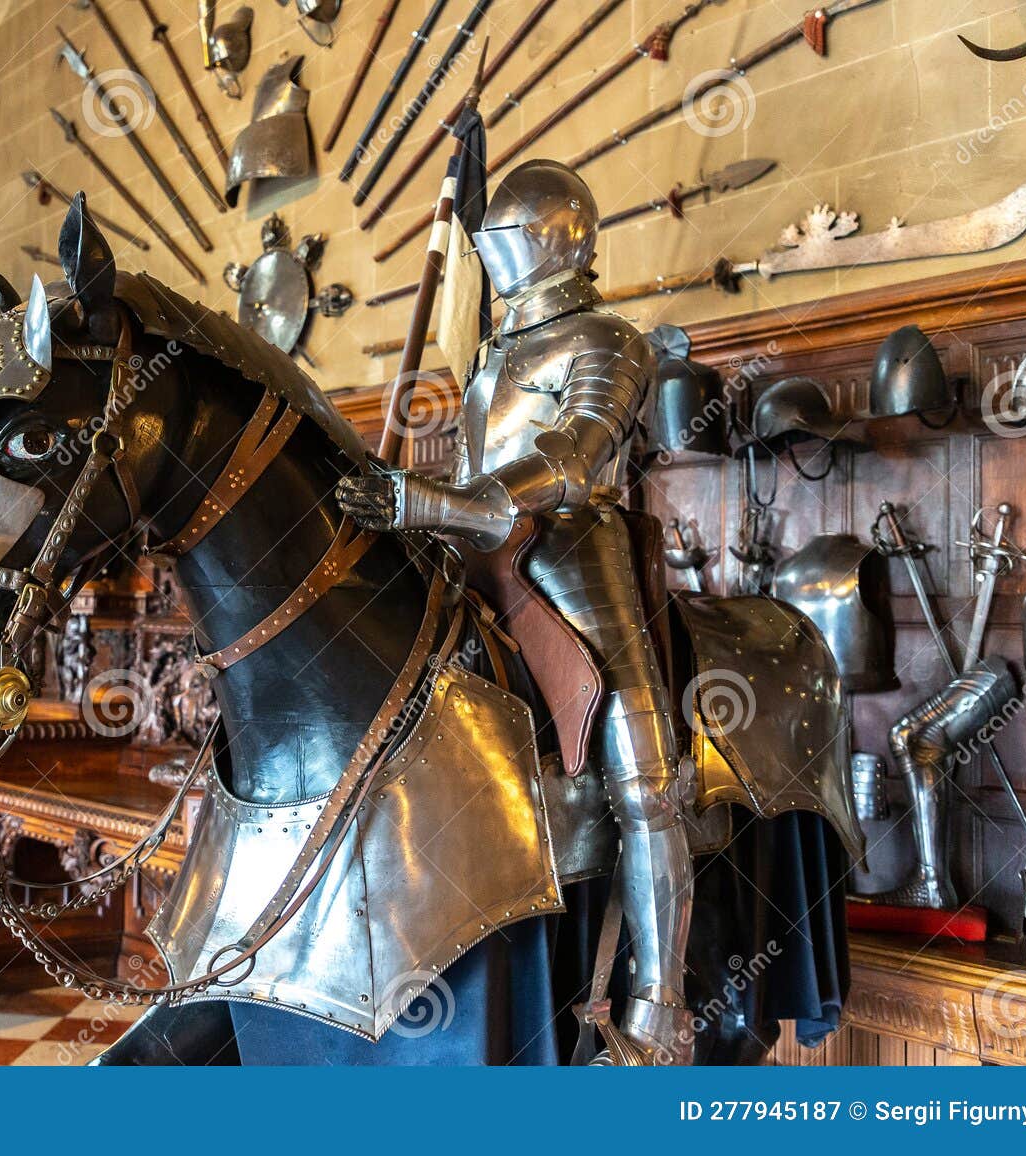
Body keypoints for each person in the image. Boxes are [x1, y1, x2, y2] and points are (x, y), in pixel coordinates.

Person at [337, 159, 694, 1064]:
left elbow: (573, 463)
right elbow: (471, 474)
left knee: (644, 776)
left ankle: (659, 1009)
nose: (492, 262)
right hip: (474, 554)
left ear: (549, 239)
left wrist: (428, 504)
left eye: (502, 244)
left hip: (577, 558)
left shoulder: (612, 340)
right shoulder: (495, 356)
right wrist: (428, 515)